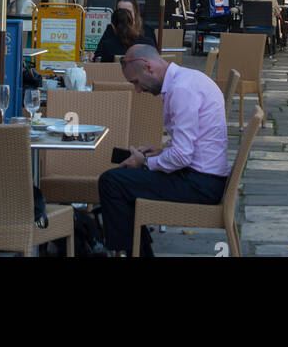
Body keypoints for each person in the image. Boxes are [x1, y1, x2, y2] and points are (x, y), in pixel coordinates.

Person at [97, 44, 229, 256]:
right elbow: (189, 146)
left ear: (149, 67)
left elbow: (183, 156)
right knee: (124, 180)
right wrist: (160, 152)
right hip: (206, 178)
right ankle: (138, 251)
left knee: (112, 182)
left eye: (136, 83)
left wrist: (146, 163)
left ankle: (132, 251)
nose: (138, 91)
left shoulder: (181, 90)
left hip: (200, 184)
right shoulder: (187, 79)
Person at [93, 0, 157, 61]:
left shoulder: (147, 31)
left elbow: (154, 58)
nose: (124, 15)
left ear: (135, 13)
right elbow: (98, 56)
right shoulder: (110, 29)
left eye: (128, 12)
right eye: (120, 11)